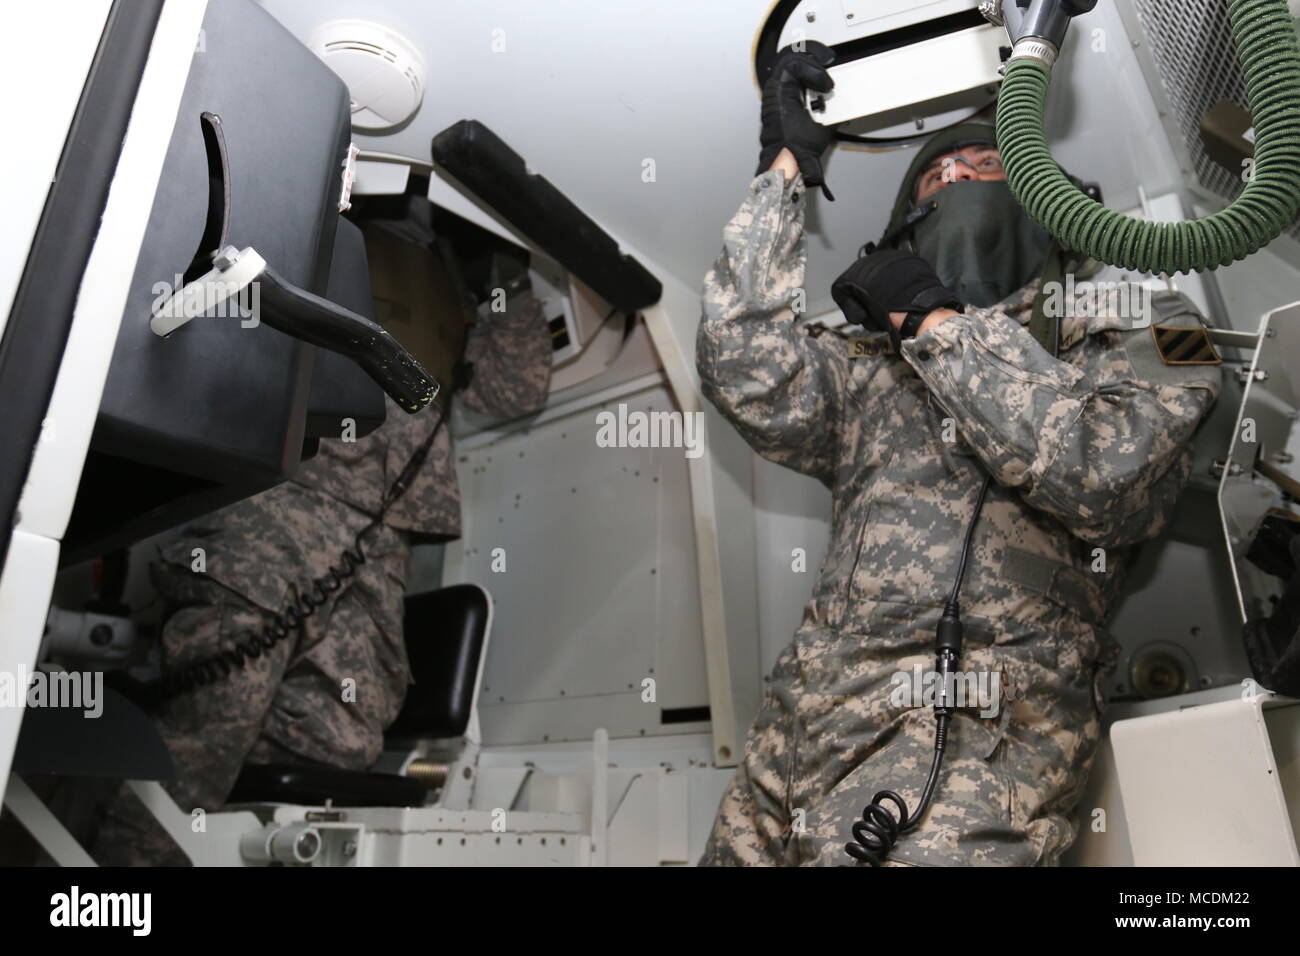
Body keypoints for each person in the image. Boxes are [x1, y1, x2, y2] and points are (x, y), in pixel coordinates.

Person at [697, 43, 1222, 866]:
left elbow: (1106, 477)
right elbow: (745, 369)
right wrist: (784, 171)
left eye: (988, 165)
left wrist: (935, 325)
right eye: (937, 180)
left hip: (977, 729)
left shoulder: (1147, 317)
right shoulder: (872, 362)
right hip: (800, 723)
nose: (961, 183)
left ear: (1050, 203)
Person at [91, 246, 551, 866]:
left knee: (340, 745)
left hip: (382, 531)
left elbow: (513, 390)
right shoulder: (323, 213)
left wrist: (511, 273)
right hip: (282, 490)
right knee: (206, 736)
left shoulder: (451, 270)